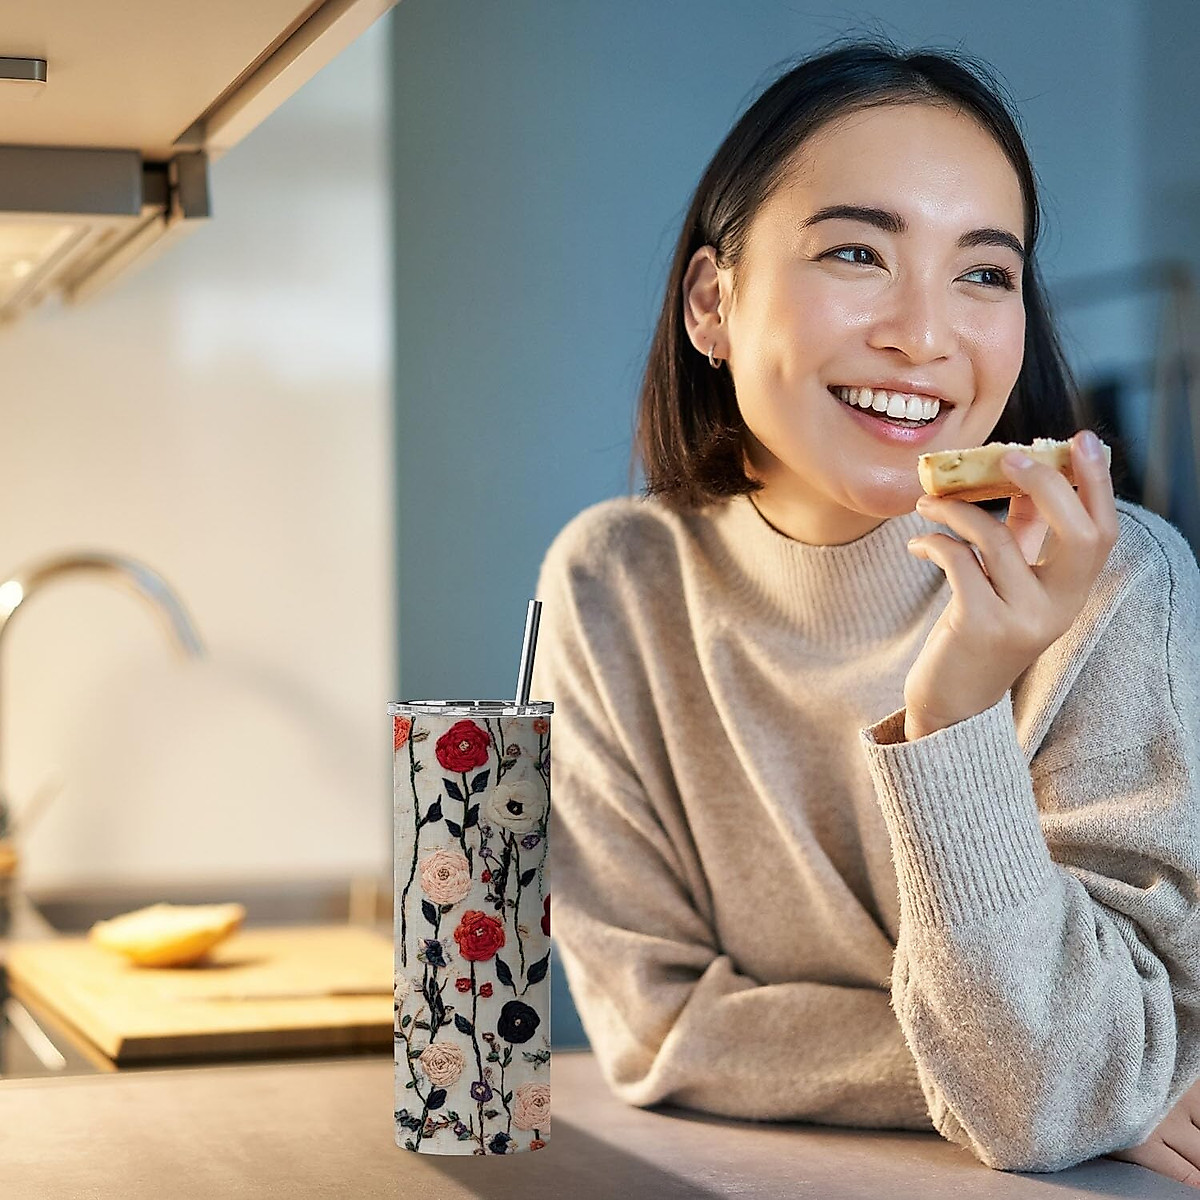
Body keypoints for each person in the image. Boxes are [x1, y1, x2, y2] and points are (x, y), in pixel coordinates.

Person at [527, 38, 1200, 1186]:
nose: (924, 333)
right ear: (712, 304)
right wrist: (1062, 1075)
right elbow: (652, 1027)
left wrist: (952, 710)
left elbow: (1091, 1079)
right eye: (856, 252)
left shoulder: (1121, 582)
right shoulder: (614, 585)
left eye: (985, 274)